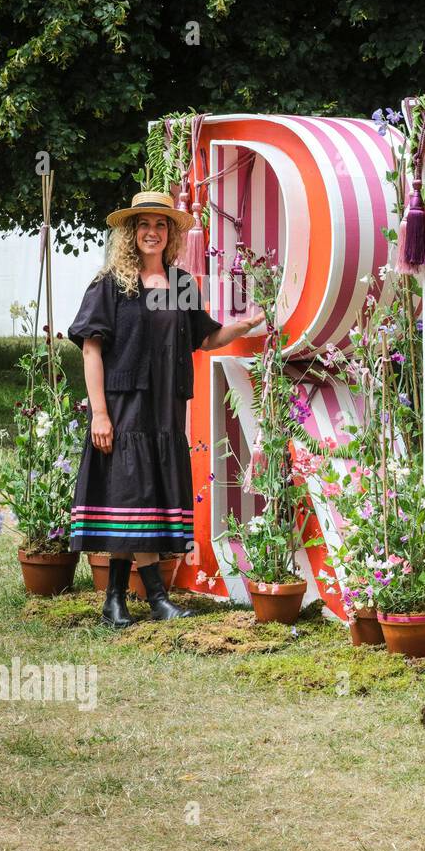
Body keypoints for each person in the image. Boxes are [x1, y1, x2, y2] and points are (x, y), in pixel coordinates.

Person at [67, 190, 265, 627]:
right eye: (144, 225)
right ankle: (151, 598)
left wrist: (242, 325)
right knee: (130, 495)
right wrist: (99, 412)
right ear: (130, 233)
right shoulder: (111, 285)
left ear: (170, 234)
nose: (152, 232)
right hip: (125, 406)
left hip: (165, 409)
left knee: (142, 500)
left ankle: (117, 602)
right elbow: (91, 350)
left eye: (160, 225)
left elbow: (205, 338)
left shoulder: (180, 285)